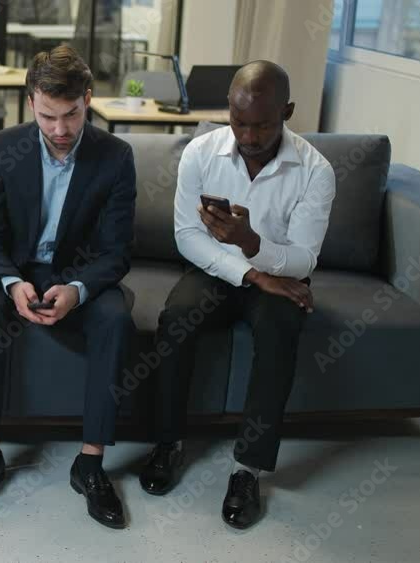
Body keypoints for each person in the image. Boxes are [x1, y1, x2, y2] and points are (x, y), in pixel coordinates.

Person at [139, 60, 336, 529]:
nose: (248, 136)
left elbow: (304, 259)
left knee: (281, 328)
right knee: (176, 319)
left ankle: (248, 469)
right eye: (239, 122)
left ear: (287, 111)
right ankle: (168, 443)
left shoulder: (316, 170)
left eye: (263, 125)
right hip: (218, 270)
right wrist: (250, 273)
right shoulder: (200, 153)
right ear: (228, 109)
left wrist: (253, 246)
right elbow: (188, 237)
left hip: (281, 274)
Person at [0, 46, 136, 529]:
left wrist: (77, 288)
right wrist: (12, 283)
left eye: (71, 115)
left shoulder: (116, 156)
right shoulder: (1, 147)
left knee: (116, 317)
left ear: (88, 100)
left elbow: (116, 252)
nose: (59, 130)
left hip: (80, 272)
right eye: (48, 115)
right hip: (13, 270)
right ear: (30, 101)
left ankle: (90, 463)